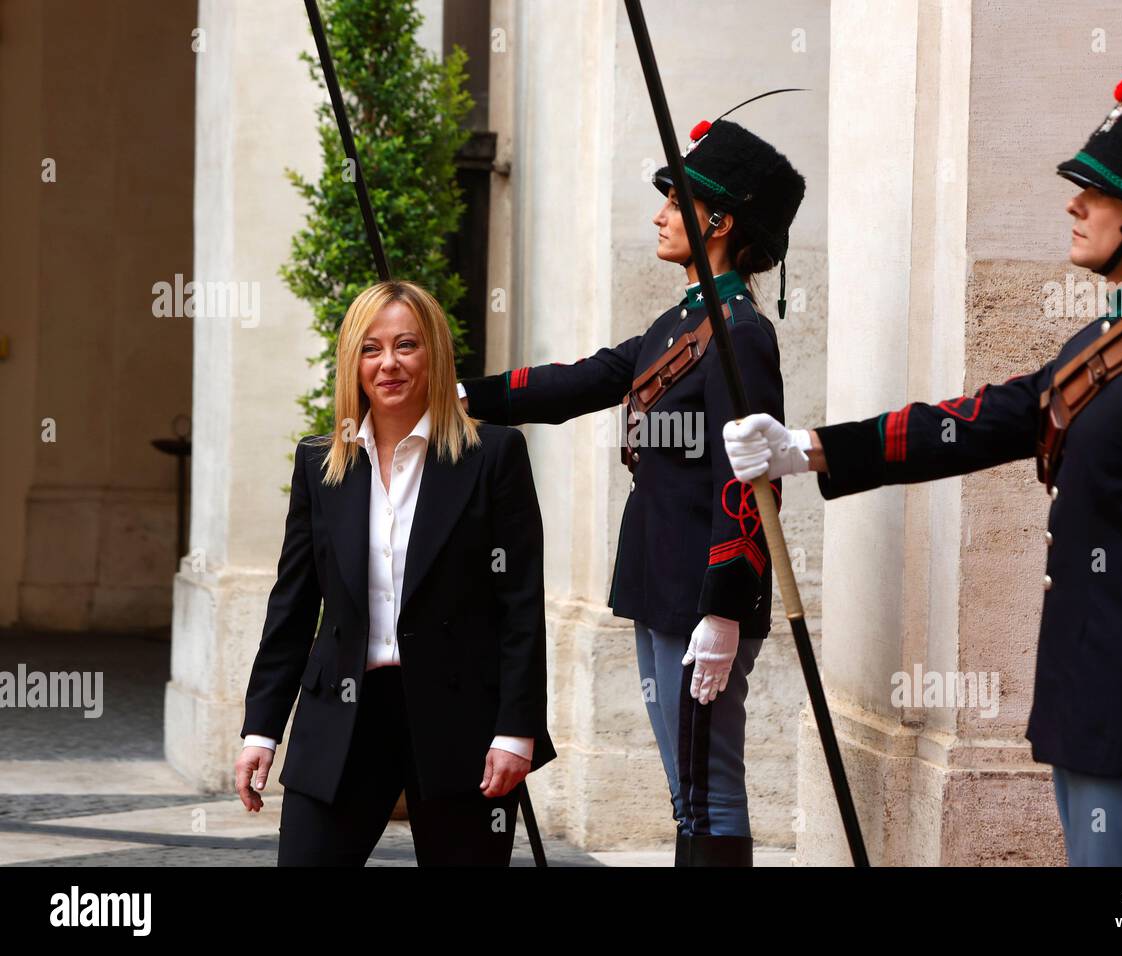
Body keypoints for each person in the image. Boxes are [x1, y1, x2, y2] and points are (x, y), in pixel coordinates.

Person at [724, 81, 1122, 866]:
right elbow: (988, 419)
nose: (1074, 206)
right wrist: (810, 446)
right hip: (1095, 701)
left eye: (1097, 192)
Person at [457, 115, 804, 865]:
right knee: (686, 788)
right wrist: (461, 395)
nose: (659, 214)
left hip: (698, 590)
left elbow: (746, 482)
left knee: (707, 787)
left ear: (719, 221)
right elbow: (576, 382)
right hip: (656, 576)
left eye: (674, 201)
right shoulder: (677, 322)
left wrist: (723, 610)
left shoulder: (741, 332)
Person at [234, 279, 556, 866]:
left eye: (406, 345)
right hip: (341, 716)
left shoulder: (494, 457)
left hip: (459, 720)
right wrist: (261, 729)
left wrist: (517, 731)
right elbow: (293, 604)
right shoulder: (319, 463)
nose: (388, 364)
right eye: (370, 348)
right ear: (351, 361)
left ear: (435, 354)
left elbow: (521, 608)